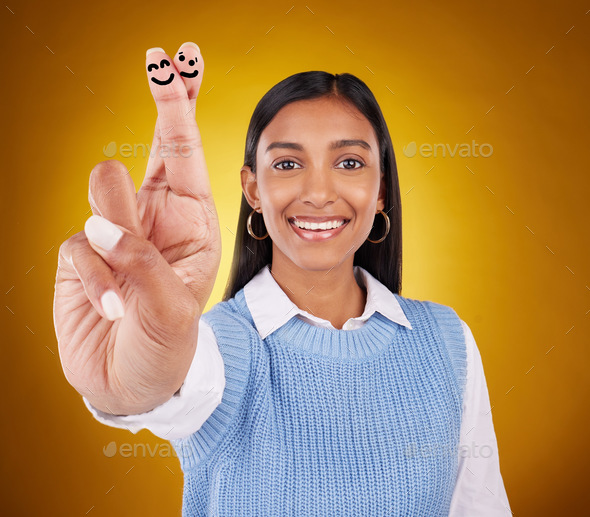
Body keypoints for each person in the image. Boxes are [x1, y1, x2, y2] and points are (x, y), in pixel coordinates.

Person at [54, 41, 511, 516]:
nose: (317, 193)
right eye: (288, 164)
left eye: (350, 163)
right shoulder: (217, 347)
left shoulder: (445, 339)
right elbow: (175, 381)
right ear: (253, 190)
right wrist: (133, 380)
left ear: (381, 191)